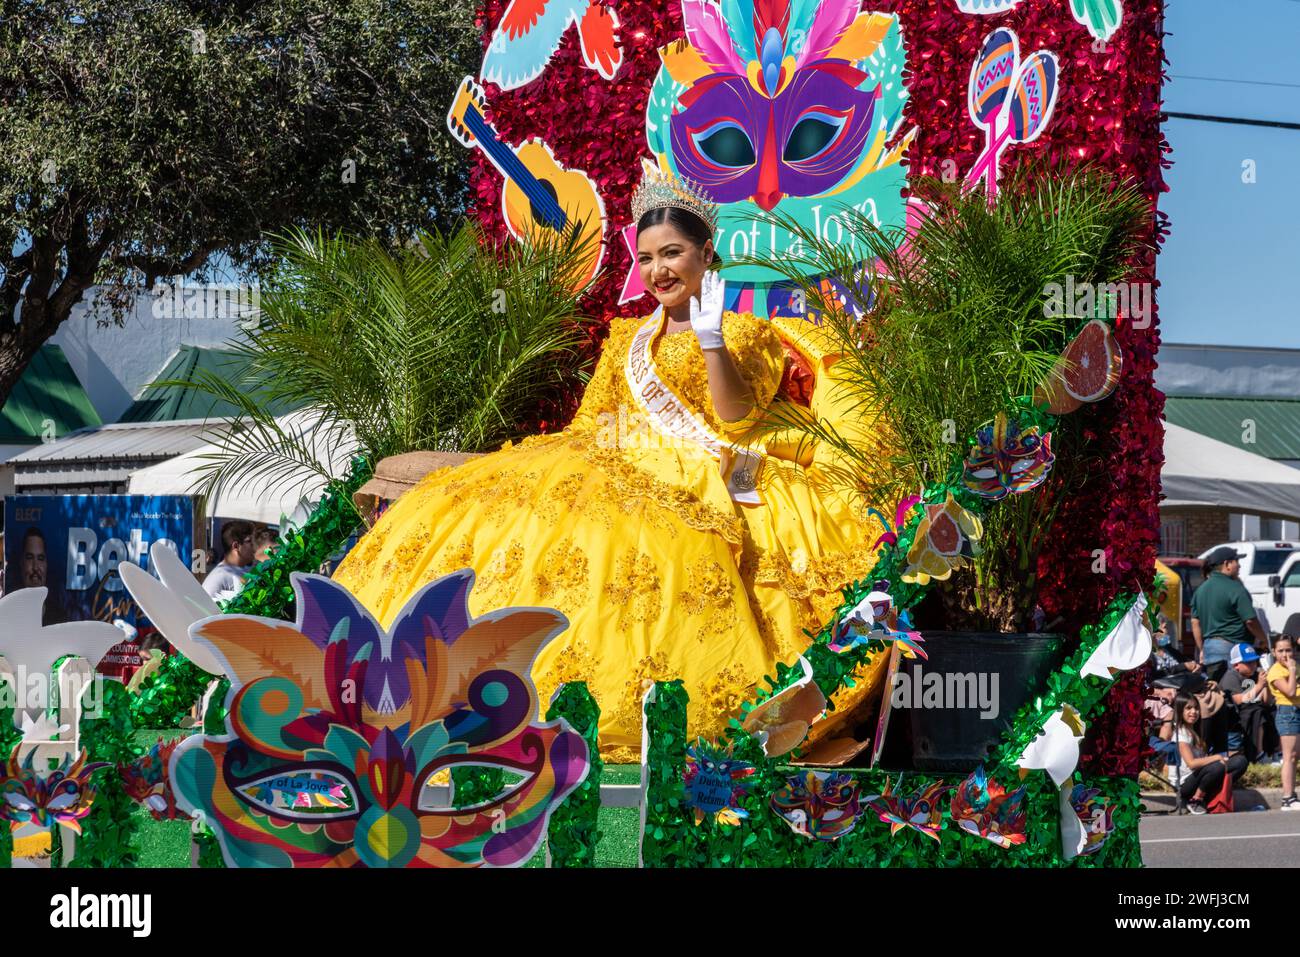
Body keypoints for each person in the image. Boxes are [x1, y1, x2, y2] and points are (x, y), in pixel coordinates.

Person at [332, 168, 891, 760]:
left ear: (706, 252)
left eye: (673, 253)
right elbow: (591, 423)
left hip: (696, 468)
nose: (659, 271)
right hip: (609, 457)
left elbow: (736, 420)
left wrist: (711, 343)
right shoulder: (625, 336)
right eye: (647, 258)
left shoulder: (743, 333)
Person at [1191, 546, 1268, 681]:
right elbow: (1250, 621)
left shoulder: (1200, 590)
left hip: (1210, 650)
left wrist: (1202, 648)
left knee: (1219, 695)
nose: (1239, 566)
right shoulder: (1235, 588)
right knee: (1239, 694)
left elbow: (1195, 622)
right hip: (1234, 651)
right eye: (1236, 561)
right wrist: (1264, 639)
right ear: (1227, 564)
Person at [1172, 692, 1247, 815]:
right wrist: (1217, 757)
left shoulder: (1194, 730)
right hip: (1185, 784)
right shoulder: (1180, 733)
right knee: (1217, 766)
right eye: (1188, 708)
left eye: (1196, 708)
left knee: (1240, 761)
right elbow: (1191, 764)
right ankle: (1195, 799)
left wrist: (1226, 757)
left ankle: (1209, 794)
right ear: (1180, 710)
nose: (1194, 712)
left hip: (1200, 775)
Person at [1218, 642, 1270, 763]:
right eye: (1248, 663)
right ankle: (1259, 754)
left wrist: (1266, 686)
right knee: (1257, 712)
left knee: (1270, 711)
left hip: (1249, 711)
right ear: (1236, 665)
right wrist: (1259, 685)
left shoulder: (1254, 675)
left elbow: (1266, 701)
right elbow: (1239, 700)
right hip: (1232, 716)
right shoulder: (1231, 676)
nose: (1253, 665)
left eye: (1254, 661)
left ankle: (1275, 752)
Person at [1267, 634, 1300, 810]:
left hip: (1297, 710)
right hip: (1288, 712)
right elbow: (1290, 691)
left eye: (1288, 650)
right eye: (1281, 651)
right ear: (1274, 652)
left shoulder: (1293, 665)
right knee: (1289, 756)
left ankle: (1292, 795)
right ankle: (1287, 797)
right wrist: (1293, 670)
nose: (1285, 654)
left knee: (1296, 757)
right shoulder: (1276, 671)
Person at [13, 527, 66, 625]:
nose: (35, 567)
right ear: (21, 562)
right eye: (29, 558)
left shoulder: (60, 618)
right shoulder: (9, 616)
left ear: (46, 564)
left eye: (40, 558)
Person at [202, 521, 254, 602]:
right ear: (236, 546)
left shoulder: (247, 570)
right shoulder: (218, 576)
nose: (254, 546)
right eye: (249, 542)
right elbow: (203, 607)